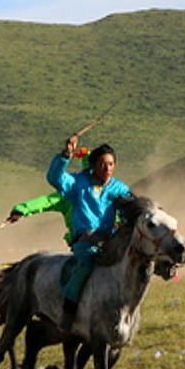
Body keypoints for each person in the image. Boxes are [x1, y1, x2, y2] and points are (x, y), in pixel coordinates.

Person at [46, 135, 132, 331]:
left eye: (111, 164)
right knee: (86, 265)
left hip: (110, 242)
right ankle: (69, 309)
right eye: (102, 164)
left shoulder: (120, 188)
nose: (107, 168)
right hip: (86, 243)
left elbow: (130, 210)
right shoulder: (78, 184)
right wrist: (66, 154)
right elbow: (55, 178)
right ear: (94, 165)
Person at [6, 148, 91, 246]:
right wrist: (22, 210)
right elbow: (47, 201)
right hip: (82, 243)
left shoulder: (107, 191)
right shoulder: (72, 192)